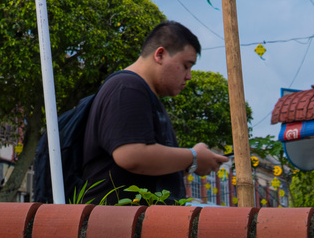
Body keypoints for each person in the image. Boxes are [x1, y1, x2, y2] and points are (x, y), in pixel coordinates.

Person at [77, 20, 224, 203]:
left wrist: (193, 163)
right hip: (117, 225)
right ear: (160, 54)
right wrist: (193, 156)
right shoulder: (127, 88)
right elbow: (131, 155)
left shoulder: (142, 93)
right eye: (186, 65)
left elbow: (148, 166)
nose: (188, 76)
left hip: (136, 224)